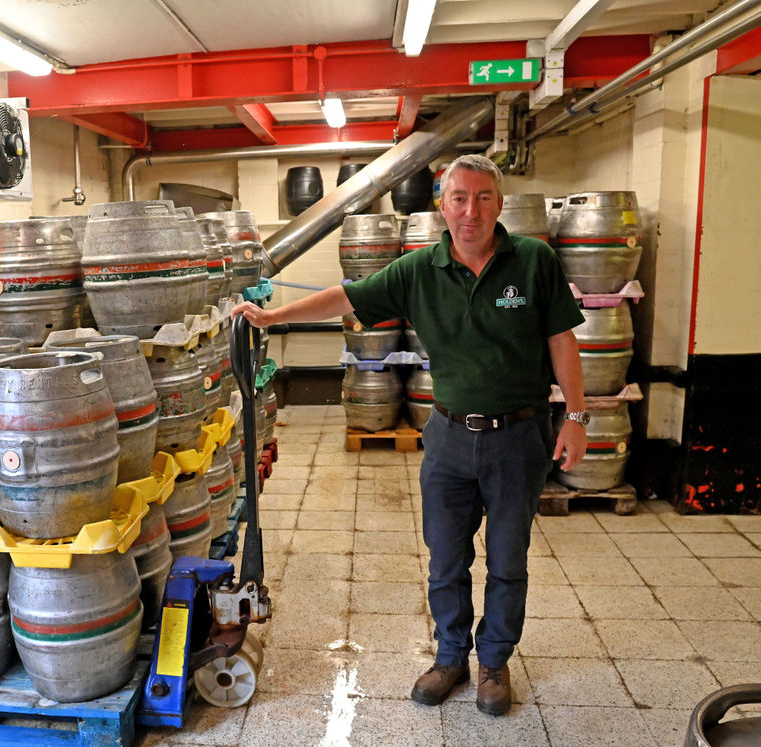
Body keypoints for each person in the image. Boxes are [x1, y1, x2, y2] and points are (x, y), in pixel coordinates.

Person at [233, 154, 588, 716]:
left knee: (508, 558)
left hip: (519, 437)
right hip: (446, 437)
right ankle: (451, 656)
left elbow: (561, 340)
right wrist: (274, 318)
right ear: (442, 205)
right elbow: (347, 296)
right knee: (445, 558)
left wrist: (576, 415)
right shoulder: (419, 269)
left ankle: (494, 662)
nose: (471, 210)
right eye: (459, 198)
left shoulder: (534, 261)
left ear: (499, 203)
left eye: (484, 198)